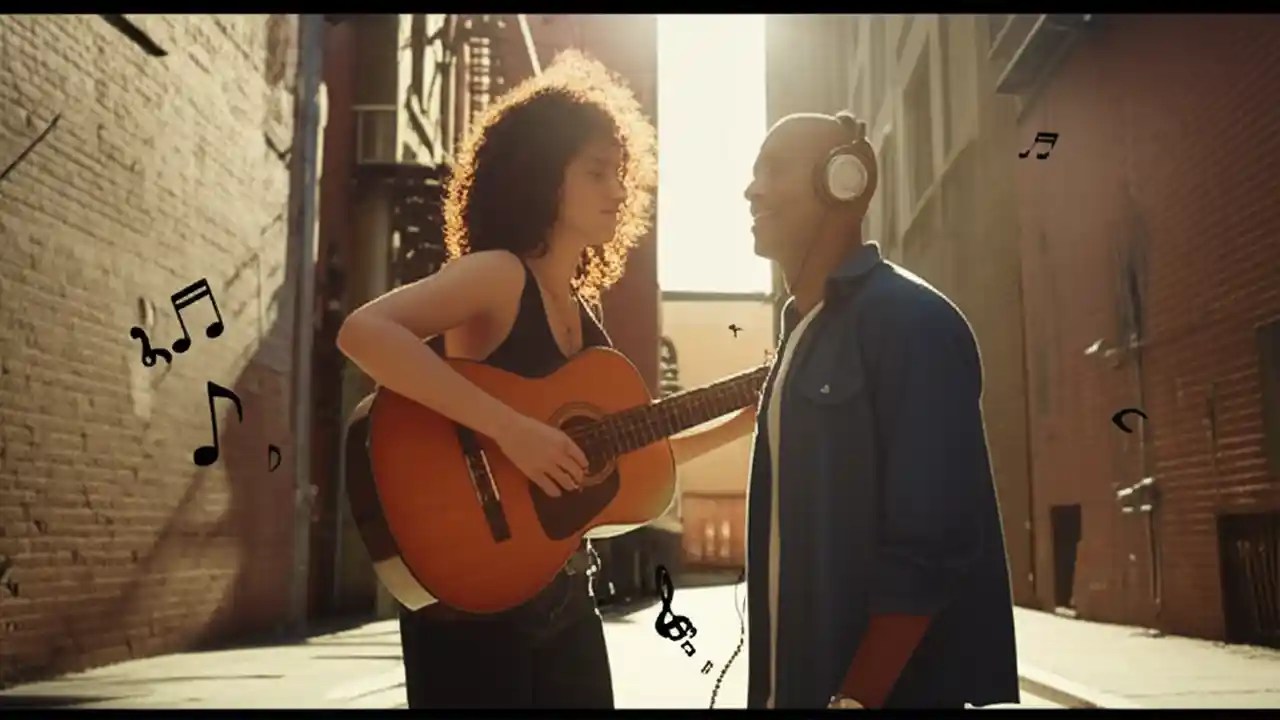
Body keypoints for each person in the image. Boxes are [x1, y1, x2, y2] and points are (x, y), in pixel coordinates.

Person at [335, 50, 757, 710]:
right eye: (596, 173)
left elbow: (625, 466)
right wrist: (513, 430)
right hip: (474, 599)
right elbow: (364, 333)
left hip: (564, 597)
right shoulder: (499, 276)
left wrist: (740, 422)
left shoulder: (585, 319)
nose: (619, 192)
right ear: (541, 176)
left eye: (621, 175)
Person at [742, 110, 1020, 710]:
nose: (752, 188)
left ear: (841, 180)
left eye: (773, 169)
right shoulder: (798, 335)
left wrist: (855, 700)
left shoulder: (913, 322)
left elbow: (931, 544)